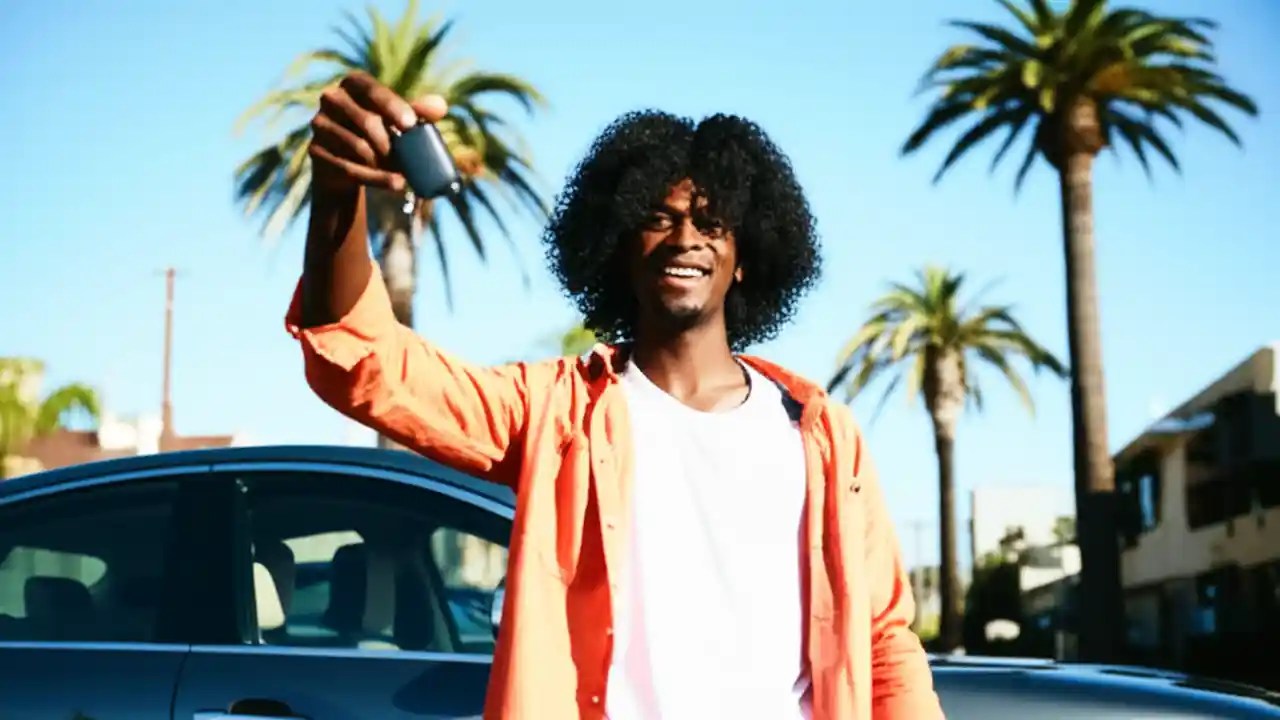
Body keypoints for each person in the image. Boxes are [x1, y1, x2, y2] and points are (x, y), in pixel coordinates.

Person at [286, 71, 944, 720]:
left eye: (712, 223)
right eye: (658, 218)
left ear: (745, 257)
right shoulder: (558, 412)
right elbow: (365, 359)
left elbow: (884, 640)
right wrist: (338, 196)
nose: (685, 237)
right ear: (620, 246)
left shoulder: (822, 436)